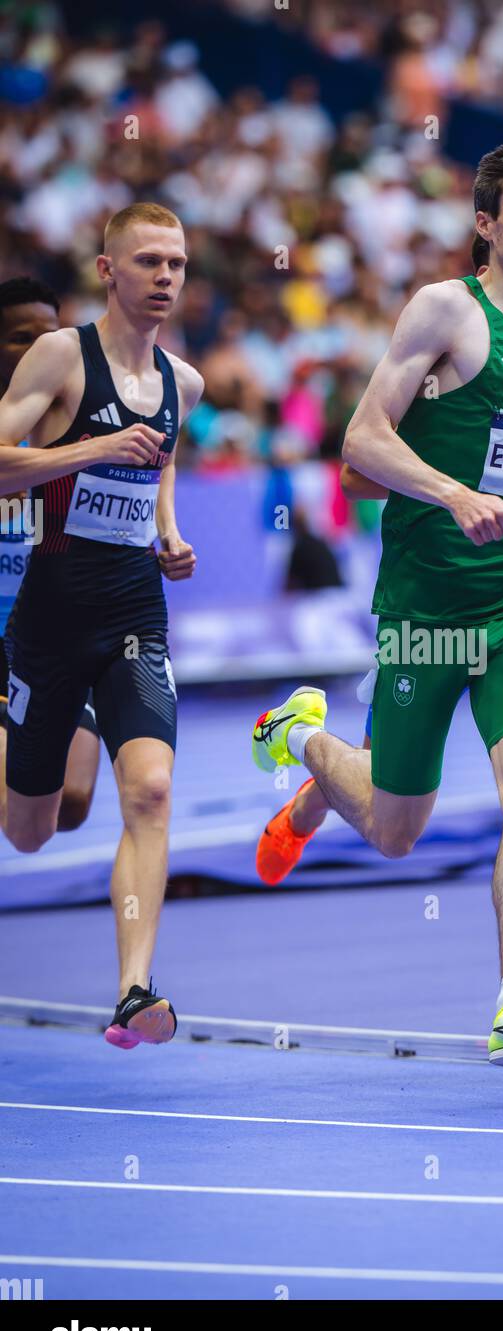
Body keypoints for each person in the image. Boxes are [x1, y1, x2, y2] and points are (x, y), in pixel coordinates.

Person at [252, 141, 503, 1066]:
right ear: (485, 224)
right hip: (427, 614)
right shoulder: (443, 310)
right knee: (395, 831)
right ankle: (305, 735)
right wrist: (452, 496)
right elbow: (361, 443)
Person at [0, 202, 203, 1048]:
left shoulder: (183, 384)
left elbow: (156, 473)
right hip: (45, 621)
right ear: (107, 269)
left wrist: (168, 533)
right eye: (148, 261)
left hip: (132, 615)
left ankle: (132, 989)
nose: (164, 277)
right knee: (36, 829)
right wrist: (89, 449)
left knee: (149, 789)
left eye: (177, 264)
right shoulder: (59, 356)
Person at [0, 277, 101, 834]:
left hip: (56, 633)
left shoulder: (81, 421)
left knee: (74, 801)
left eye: (49, 334)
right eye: (20, 337)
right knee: (18, 803)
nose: (39, 348)